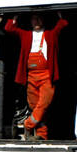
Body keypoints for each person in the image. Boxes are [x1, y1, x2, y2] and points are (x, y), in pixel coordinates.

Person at [4, 10, 68, 140]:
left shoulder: (51, 33)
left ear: (44, 20)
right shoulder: (25, 34)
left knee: (44, 103)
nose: (37, 21)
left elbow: (64, 24)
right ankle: (42, 136)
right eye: (34, 18)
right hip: (31, 76)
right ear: (30, 21)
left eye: (39, 18)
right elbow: (9, 28)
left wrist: (59, 15)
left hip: (46, 75)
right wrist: (15, 17)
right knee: (34, 106)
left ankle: (28, 124)